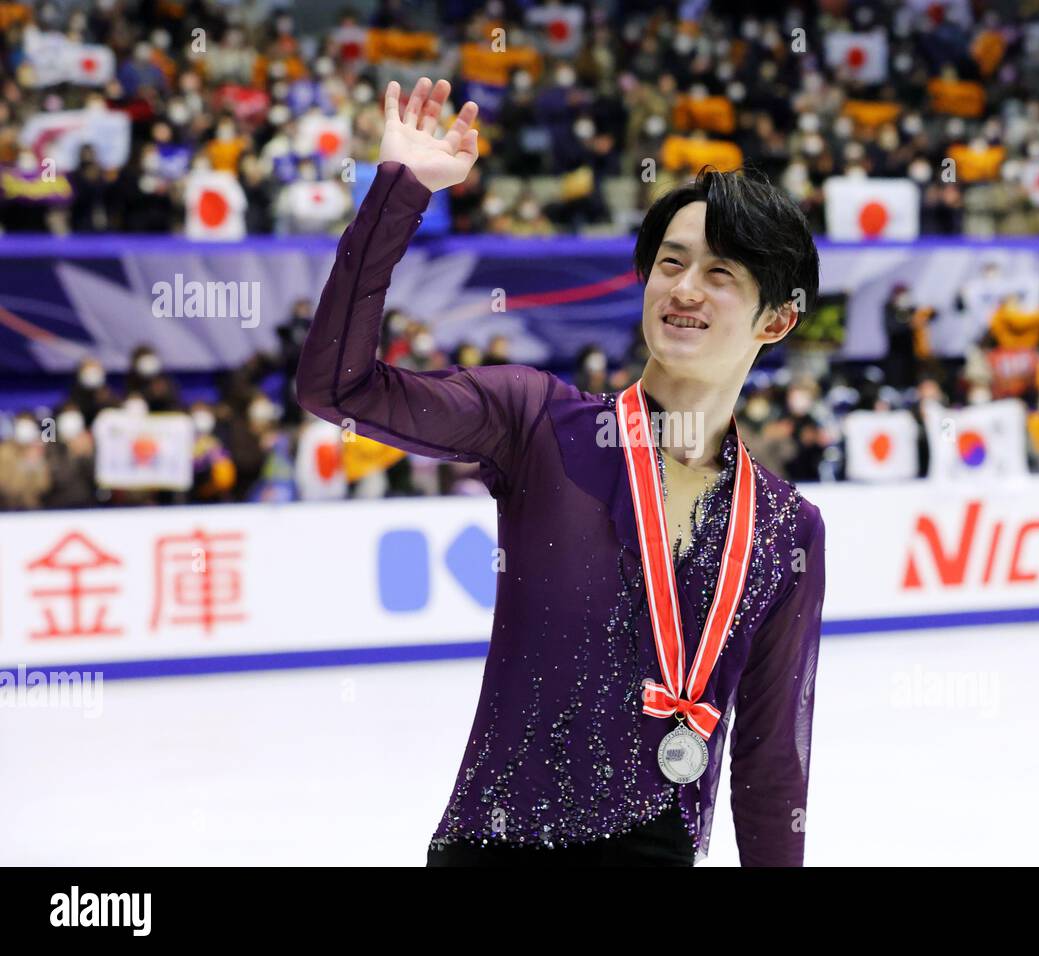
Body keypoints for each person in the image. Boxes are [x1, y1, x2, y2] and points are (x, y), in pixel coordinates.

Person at [296, 77, 826, 867]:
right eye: (670, 263)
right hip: (493, 847)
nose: (683, 288)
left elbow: (770, 763)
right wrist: (398, 194)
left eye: (721, 274)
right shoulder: (537, 423)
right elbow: (337, 389)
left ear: (777, 318)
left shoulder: (786, 527)